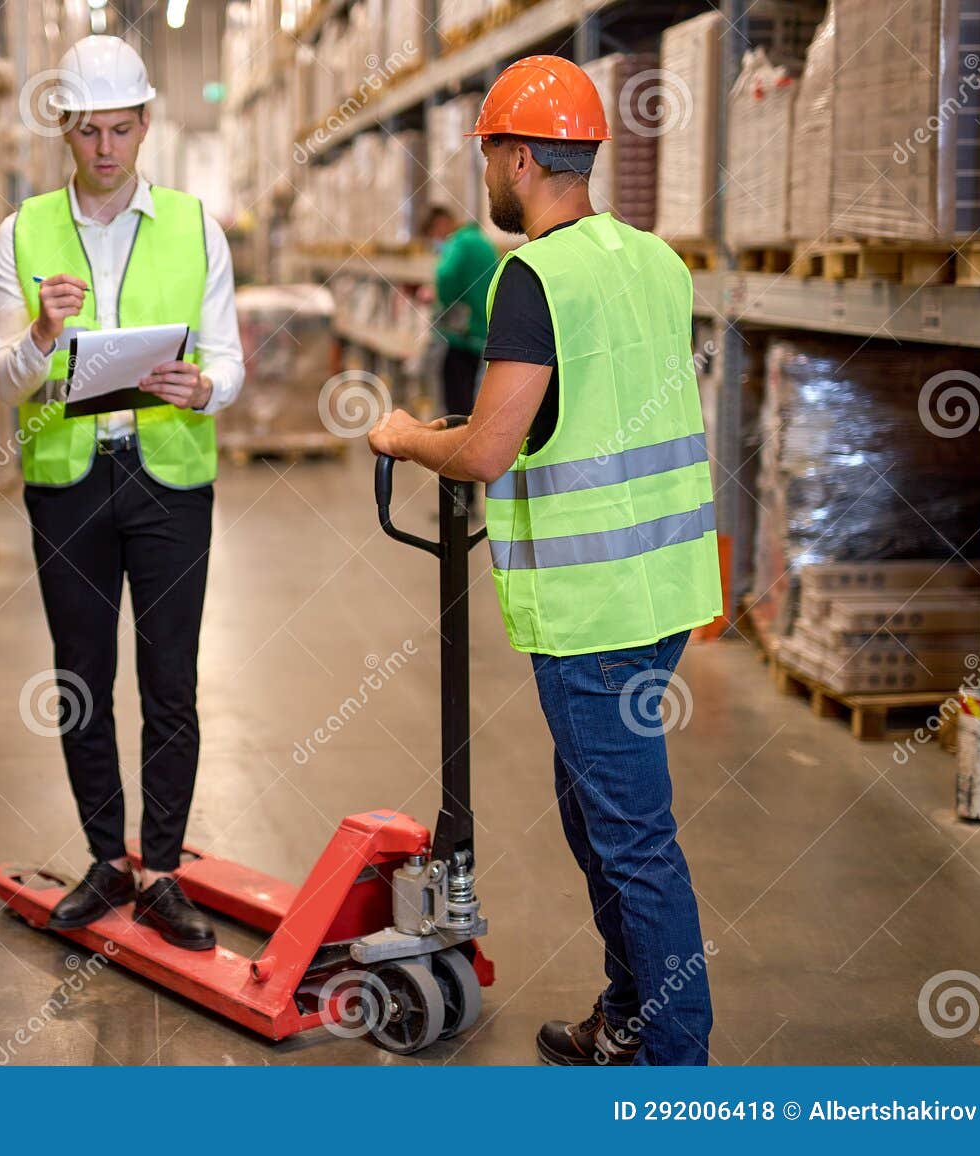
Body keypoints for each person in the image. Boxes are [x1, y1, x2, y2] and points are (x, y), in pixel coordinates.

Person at [367, 55, 721, 1066]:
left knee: (632, 841)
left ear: (518, 158)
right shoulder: (655, 259)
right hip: (663, 590)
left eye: (489, 155)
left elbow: (486, 448)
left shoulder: (531, 276)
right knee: (597, 817)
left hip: (592, 606)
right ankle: (628, 1013)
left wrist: (401, 439)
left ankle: (674, 1070)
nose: (485, 174)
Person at [0, 36, 244, 951]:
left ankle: (164, 869)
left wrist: (205, 389)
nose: (105, 148)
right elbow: (7, 376)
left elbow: (229, 361)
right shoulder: (20, 233)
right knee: (81, 678)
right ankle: (107, 857)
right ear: (64, 128)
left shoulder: (193, 224)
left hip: (170, 476)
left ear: (145, 124)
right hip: (68, 483)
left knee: (170, 680)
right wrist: (40, 332)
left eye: (121, 128)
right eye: (88, 130)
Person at [421, 205, 500, 417]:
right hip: (482, 329)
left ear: (441, 224)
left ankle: (454, 440)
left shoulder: (460, 241)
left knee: (456, 398)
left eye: (433, 234)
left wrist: (443, 300)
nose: (436, 241)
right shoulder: (482, 241)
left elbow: (445, 275)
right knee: (473, 393)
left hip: (462, 334)